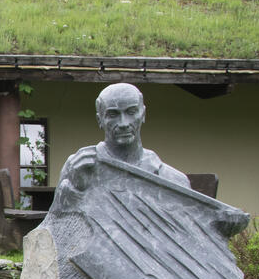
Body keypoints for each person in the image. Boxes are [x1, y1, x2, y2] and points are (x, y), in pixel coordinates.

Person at [57, 82, 190, 203]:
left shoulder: (173, 180)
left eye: (131, 112)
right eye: (113, 115)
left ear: (143, 114)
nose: (123, 123)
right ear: (100, 120)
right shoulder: (78, 167)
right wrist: (74, 191)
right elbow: (51, 226)